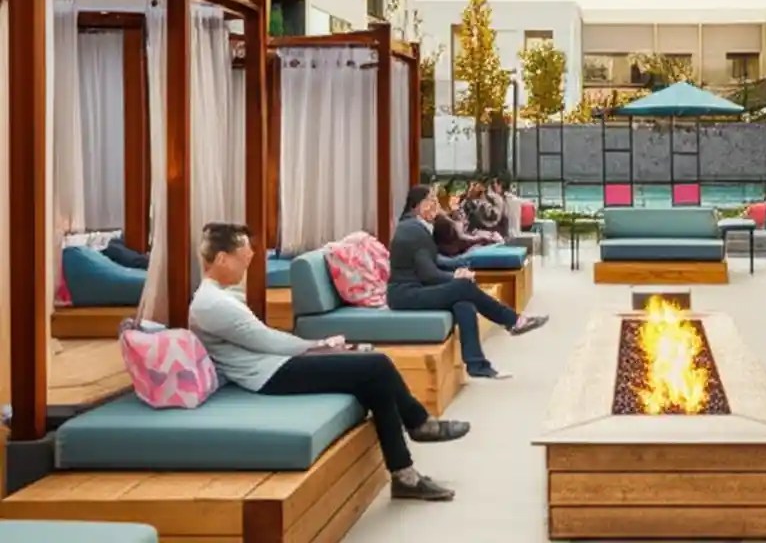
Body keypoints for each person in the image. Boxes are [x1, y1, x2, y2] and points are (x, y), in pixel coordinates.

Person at [189, 222, 469, 502]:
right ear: (222, 259)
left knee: (373, 379)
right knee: (376, 365)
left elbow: (263, 340)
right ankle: (419, 424)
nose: (247, 265)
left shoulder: (218, 298)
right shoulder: (212, 304)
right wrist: (317, 346)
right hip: (269, 374)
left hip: (273, 365)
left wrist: (324, 348)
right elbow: (267, 342)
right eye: (243, 258)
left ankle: (405, 474)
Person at [390, 184, 548, 379]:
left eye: (436, 202)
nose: (437, 207)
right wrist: (456, 277)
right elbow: (428, 274)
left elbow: (435, 260)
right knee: (463, 287)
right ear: (420, 205)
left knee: (464, 304)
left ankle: (477, 365)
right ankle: (513, 320)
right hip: (407, 295)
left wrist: (460, 265)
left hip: (416, 289)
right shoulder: (412, 230)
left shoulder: (415, 227)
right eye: (432, 201)